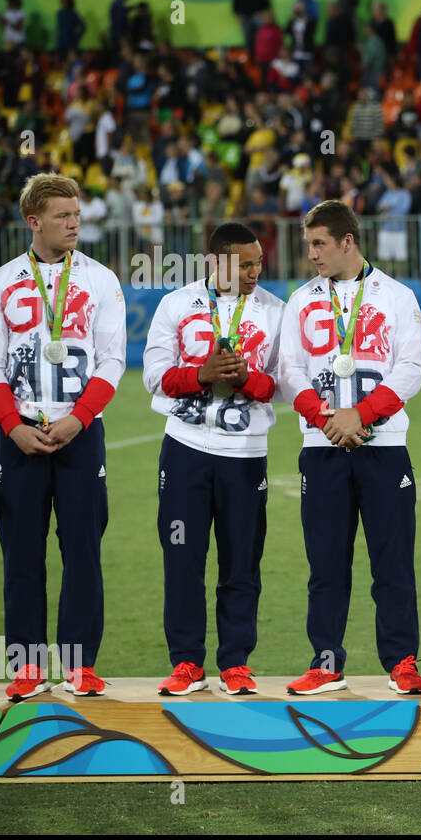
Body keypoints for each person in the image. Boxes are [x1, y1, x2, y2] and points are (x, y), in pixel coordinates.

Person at [0, 173, 126, 700]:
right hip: (18, 434)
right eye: (62, 215)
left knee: (82, 550)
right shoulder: (0, 282)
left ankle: (80, 666)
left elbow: (112, 360)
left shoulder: (101, 279)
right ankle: (28, 666)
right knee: (21, 554)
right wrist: (12, 426)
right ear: (33, 221)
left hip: (79, 434)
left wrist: (79, 419)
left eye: (76, 214)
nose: (74, 223)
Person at [277, 200, 421, 695]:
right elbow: (289, 372)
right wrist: (327, 420)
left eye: (319, 243)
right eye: (308, 245)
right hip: (321, 448)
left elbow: (411, 368)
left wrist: (360, 415)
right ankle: (325, 665)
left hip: (383, 447)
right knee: (325, 565)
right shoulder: (300, 300)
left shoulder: (397, 296)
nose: (312, 254)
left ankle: (402, 663)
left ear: (347, 241)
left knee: (393, 562)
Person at [142, 223, 283, 696]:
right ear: (214, 262)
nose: (254, 272)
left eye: (258, 263)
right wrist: (200, 375)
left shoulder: (276, 311)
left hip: (245, 454)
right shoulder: (176, 304)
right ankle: (186, 663)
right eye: (244, 264)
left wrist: (247, 381)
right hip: (185, 449)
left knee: (241, 562)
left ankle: (236, 663)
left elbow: (285, 384)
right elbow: (154, 376)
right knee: (182, 559)